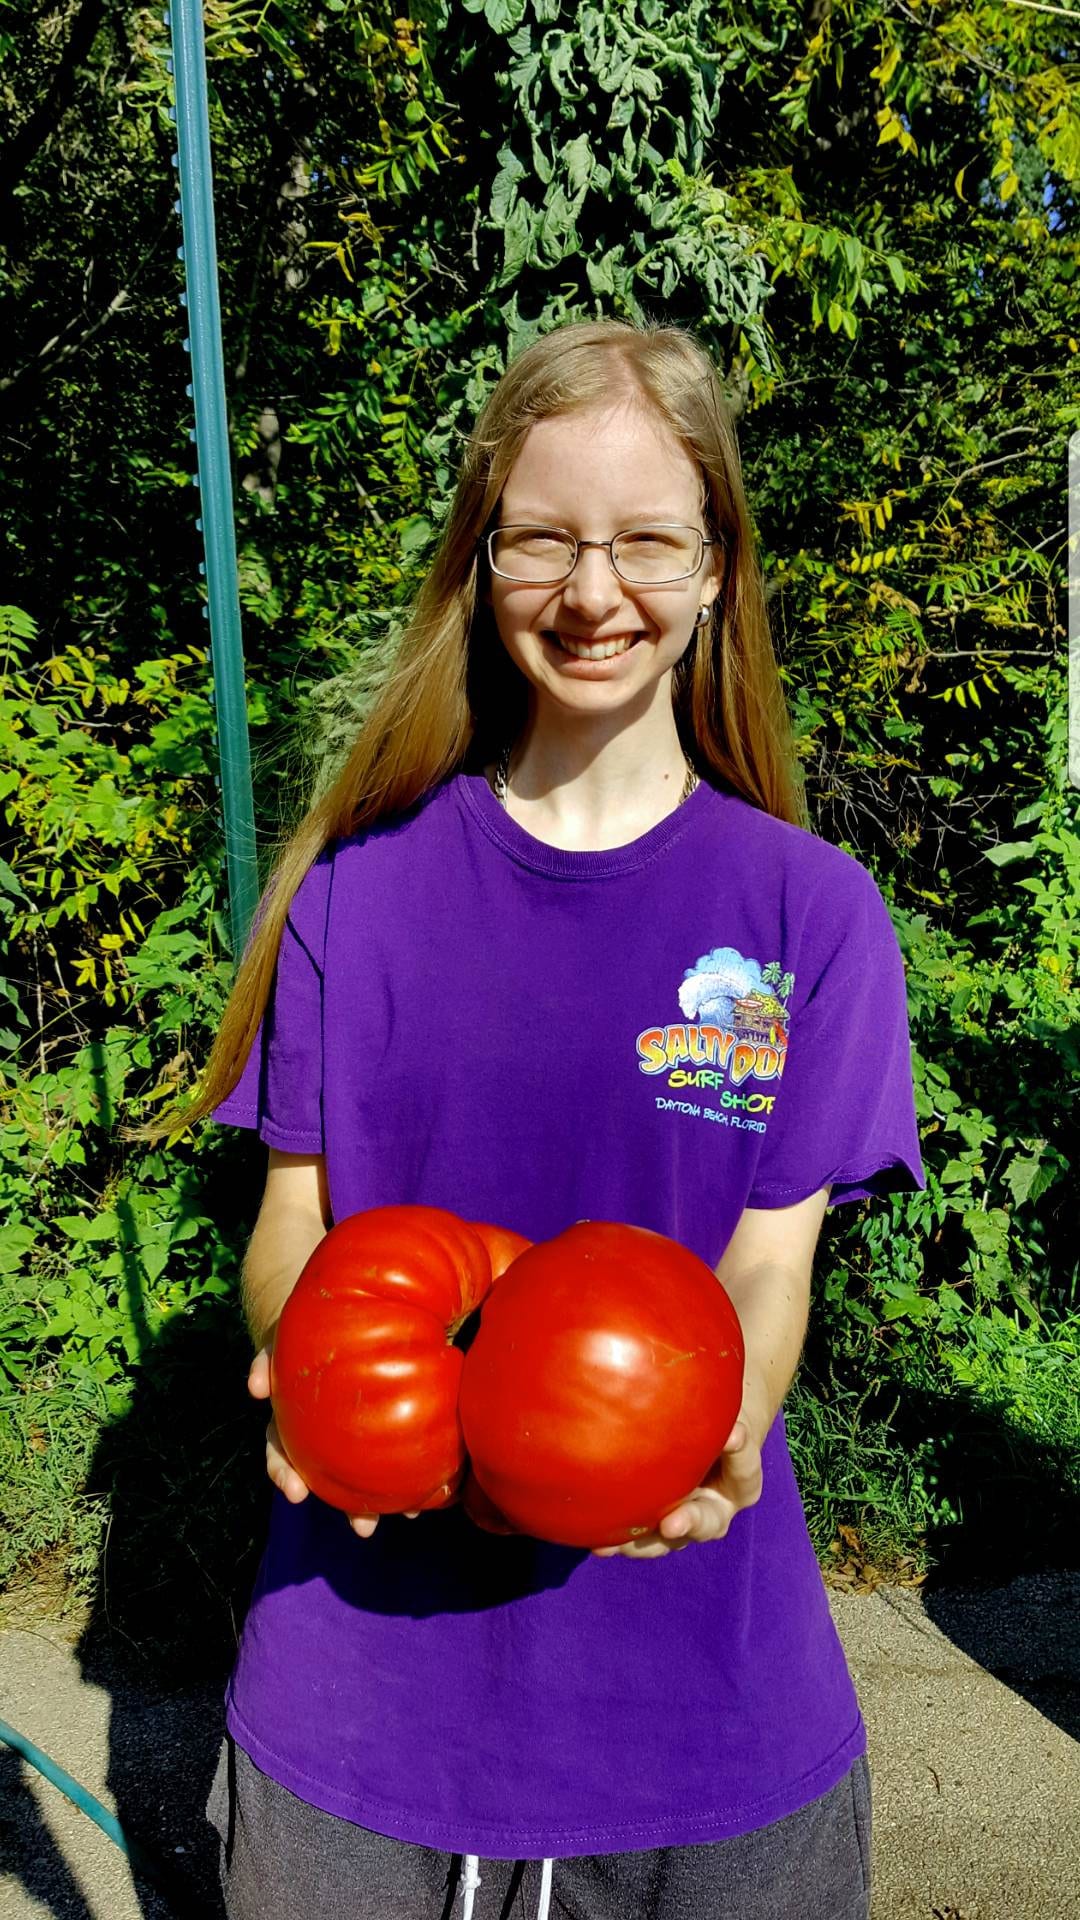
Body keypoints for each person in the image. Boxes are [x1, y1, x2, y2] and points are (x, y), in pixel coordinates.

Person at [191, 318, 924, 1919]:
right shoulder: (352, 896)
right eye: (543, 540)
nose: (595, 593)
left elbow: (768, 1264)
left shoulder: (811, 917)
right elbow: (294, 1224)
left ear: (716, 568)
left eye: (648, 539)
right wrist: (302, 1362)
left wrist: (717, 1440)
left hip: (709, 1723)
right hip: (357, 1715)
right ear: (483, 562)